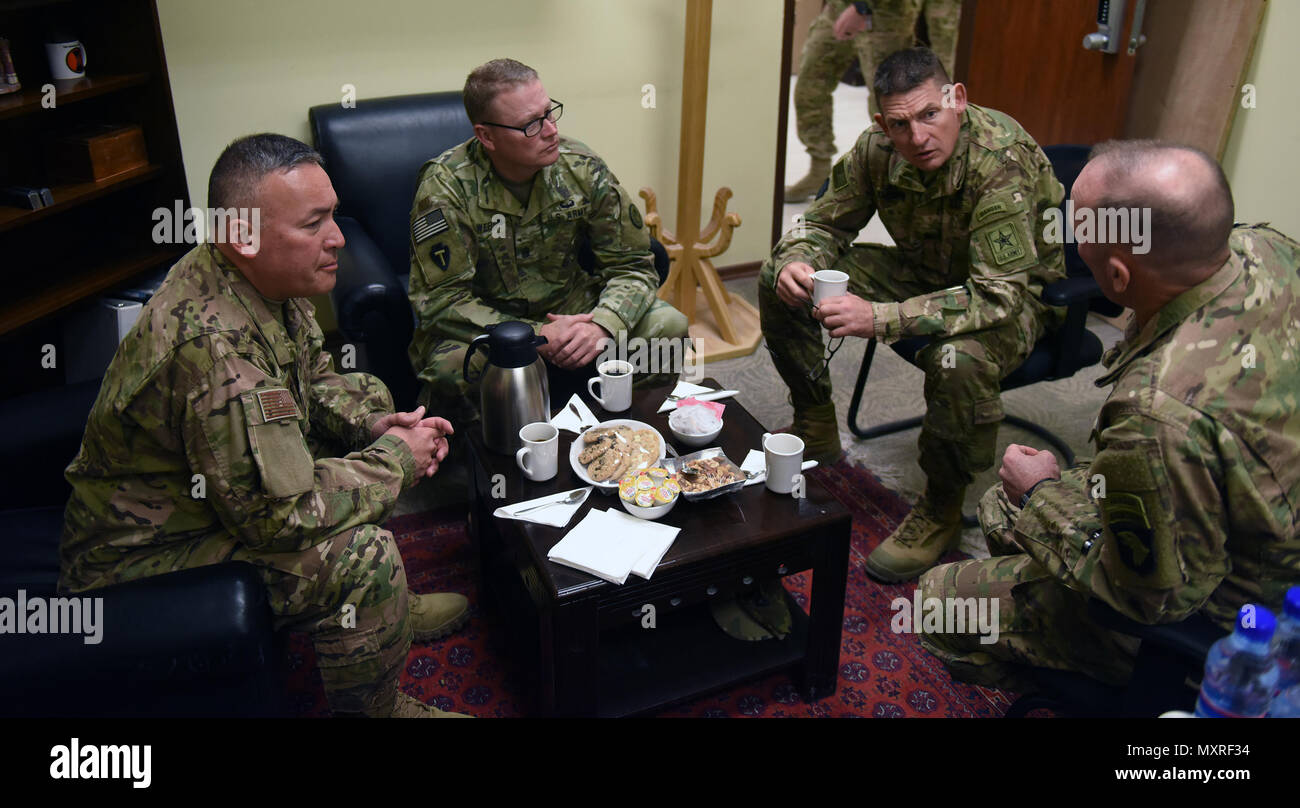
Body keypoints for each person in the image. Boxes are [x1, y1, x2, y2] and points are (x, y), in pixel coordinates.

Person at [60, 134, 470, 718]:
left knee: (366, 411)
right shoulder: (213, 347)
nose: (338, 239)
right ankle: (375, 703)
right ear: (243, 237)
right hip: (141, 562)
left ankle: (388, 609)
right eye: (314, 224)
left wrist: (378, 424)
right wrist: (399, 459)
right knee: (362, 553)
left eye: (332, 215)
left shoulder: (260, 278)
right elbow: (277, 517)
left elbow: (315, 377)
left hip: (209, 502)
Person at [918, 140, 1300, 690]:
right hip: (1262, 517)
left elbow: (1152, 598)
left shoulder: (1156, 413)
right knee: (998, 506)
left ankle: (1137, 686)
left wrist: (1040, 495)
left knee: (940, 603)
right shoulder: (1266, 247)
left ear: (1118, 280)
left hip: (1233, 615)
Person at [760, 46, 1066, 583]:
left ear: (957, 100)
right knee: (777, 278)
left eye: (931, 115)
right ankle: (816, 419)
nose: (919, 137)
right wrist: (798, 260)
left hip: (1018, 301)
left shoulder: (1000, 161)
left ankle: (941, 509)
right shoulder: (878, 148)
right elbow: (828, 223)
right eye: (901, 124)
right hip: (927, 273)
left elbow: (996, 295)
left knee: (956, 359)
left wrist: (881, 318)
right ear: (882, 123)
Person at [408, 58, 689, 420]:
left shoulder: (580, 165)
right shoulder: (446, 188)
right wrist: (536, 335)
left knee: (668, 329)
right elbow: (441, 303)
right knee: (453, 370)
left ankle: (632, 438)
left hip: (573, 308)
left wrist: (603, 322)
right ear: (486, 136)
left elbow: (633, 263)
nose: (550, 131)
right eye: (530, 125)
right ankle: (490, 467)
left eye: (550, 113)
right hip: (491, 323)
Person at [785, 0, 962, 202]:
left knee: (890, 99)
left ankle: (900, 178)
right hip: (843, 5)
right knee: (810, 83)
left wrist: (862, 7)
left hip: (887, 12)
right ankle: (819, 166)